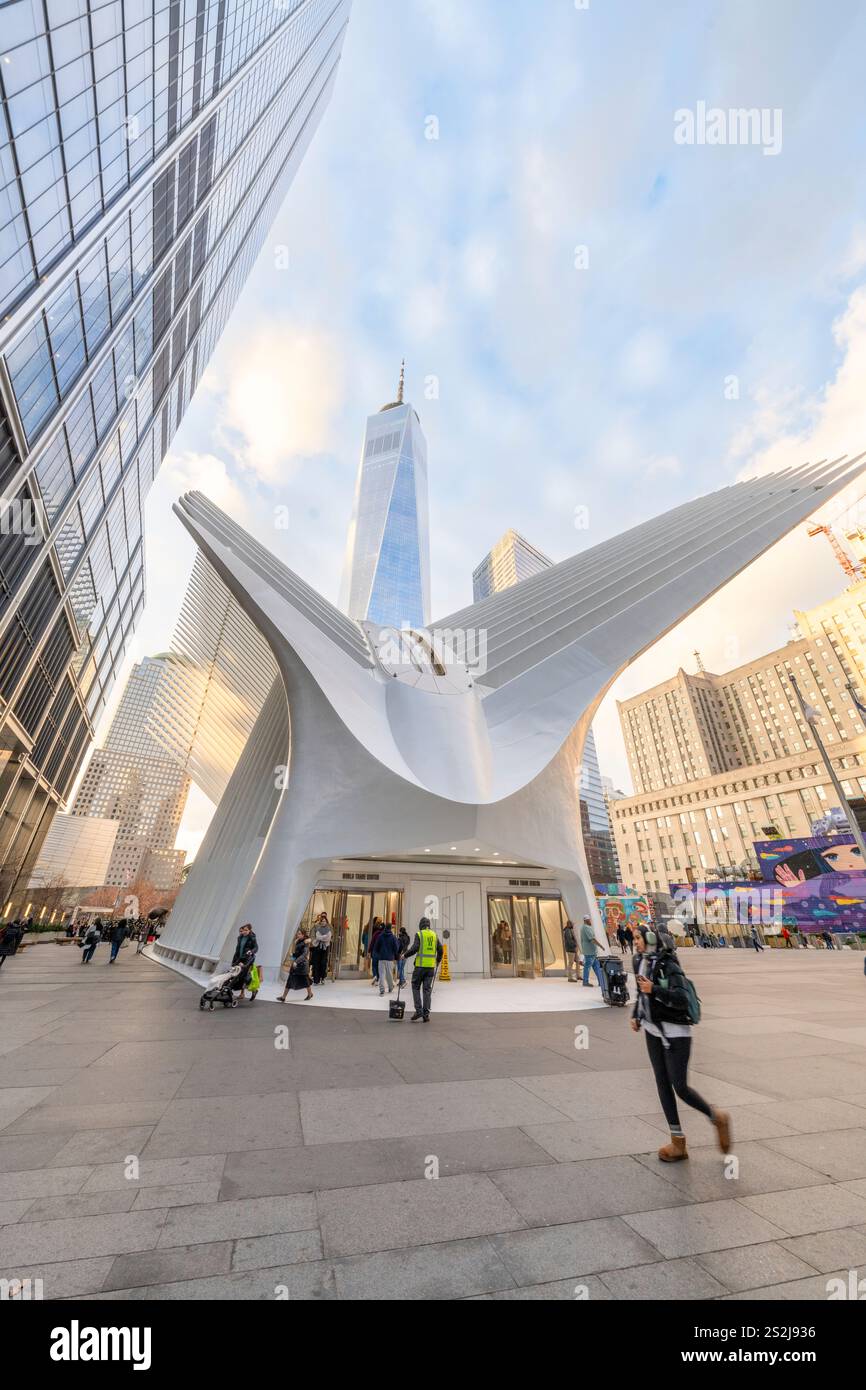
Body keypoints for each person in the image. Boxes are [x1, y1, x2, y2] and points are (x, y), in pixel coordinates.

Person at [631, 924, 731, 1163]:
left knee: (680, 1086)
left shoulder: (669, 965)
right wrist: (637, 1014)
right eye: (634, 938)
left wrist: (653, 988)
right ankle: (678, 1143)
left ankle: (716, 1117)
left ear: (651, 939)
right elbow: (640, 993)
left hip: (677, 1033)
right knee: (662, 1084)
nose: (635, 942)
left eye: (638, 938)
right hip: (653, 1030)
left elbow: (681, 999)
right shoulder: (640, 962)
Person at [404, 916, 443, 1021]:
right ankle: (426, 1015)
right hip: (430, 968)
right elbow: (440, 949)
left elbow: (414, 948)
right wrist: (438, 960)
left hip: (420, 967)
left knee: (415, 986)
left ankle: (418, 1011)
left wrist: (404, 955)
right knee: (427, 990)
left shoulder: (419, 934)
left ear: (421, 925)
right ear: (429, 925)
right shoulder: (434, 935)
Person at [279, 928, 313, 1001]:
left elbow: (304, 955)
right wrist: (293, 955)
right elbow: (298, 953)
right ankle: (283, 997)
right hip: (296, 965)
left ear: (303, 935)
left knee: (306, 981)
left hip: (302, 965)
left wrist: (296, 961)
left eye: (299, 933)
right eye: (298, 933)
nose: (298, 935)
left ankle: (310, 994)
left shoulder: (305, 943)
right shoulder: (299, 942)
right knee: (290, 980)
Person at [373, 920, 400, 995]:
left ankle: (382, 990)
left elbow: (376, 947)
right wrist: (395, 956)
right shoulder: (393, 937)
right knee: (389, 974)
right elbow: (396, 948)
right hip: (390, 959)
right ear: (391, 928)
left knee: (381, 974)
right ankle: (390, 987)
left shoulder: (380, 936)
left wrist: (379, 954)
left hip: (381, 958)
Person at [579, 915, 605, 990]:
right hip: (589, 952)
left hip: (592, 952)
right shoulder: (586, 928)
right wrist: (601, 946)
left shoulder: (585, 927)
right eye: (589, 920)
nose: (590, 921)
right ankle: (585, 981)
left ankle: (601, 982)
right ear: (586, 920)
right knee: (587, 967)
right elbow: (592, 939)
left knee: (596, 967)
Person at [310, 913, 332, 985]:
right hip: (317, 946)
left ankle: (323, 977)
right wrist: (314, 942)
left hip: (325, 947)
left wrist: (323, 938)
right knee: (316, 962)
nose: (323, 918)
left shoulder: (329, 926)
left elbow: (330, 936)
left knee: (323, 963)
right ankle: (316, 979)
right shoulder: (316, 926)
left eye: (324, 917)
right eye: (321, 917)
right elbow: (314, 935)